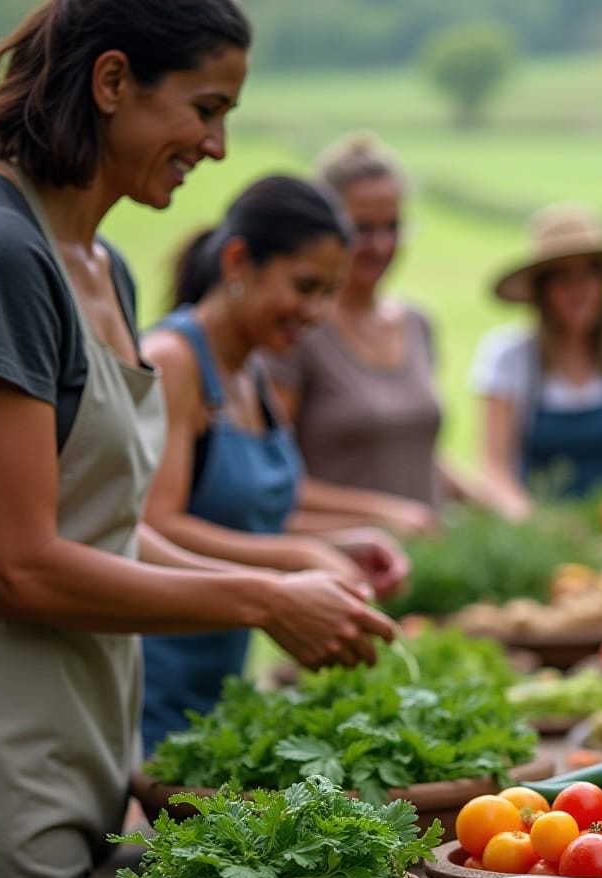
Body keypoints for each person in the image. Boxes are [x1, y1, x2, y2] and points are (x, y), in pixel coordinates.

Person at [0, 0, 394, 878]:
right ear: (111, 82)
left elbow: (110, 525)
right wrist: (261, 594)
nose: (217, 146)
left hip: (72, 702)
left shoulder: (101, 266)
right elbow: (18, 568)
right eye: (206, 108)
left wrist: (299, 567)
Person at [139, 175, 411, 755]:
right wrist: (297, 559)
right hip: (153, 687)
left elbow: (239, 520)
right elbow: (153, 525)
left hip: (224, 685)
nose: (315, 312)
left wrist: (343, 542)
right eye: (305, 286)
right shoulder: (172, 363)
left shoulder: (252, 371)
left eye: (329, 292)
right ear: (240, 262)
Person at [263, 134, 475, 527]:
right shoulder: (297, 331)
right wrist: (384, 515)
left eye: (392, 227)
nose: (380, 245)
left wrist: (502, 506)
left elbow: (413, 452)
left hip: (426, 564)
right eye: (363, 229)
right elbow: (269, 480)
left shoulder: (417, 323)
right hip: (337, 565)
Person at [472, 202, 602, 519]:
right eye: (564, 279)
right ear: (542, 289)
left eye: (588, 276)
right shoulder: (509, 358)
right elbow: (493, 468)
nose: (577, 291)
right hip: (540, 534)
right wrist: (530, 520)